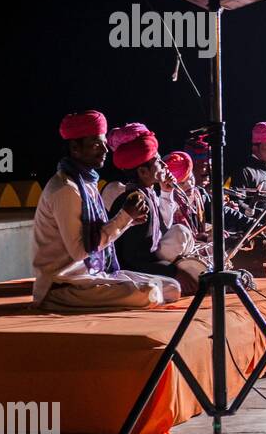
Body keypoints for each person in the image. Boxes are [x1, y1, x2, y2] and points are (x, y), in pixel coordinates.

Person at [30, 110, 181, 311]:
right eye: (96, 144)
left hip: (93, 275)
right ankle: (57, 303)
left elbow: (100, 234)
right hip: (62, 285)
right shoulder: (66, 189)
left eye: (103, 142)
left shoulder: (86, 183)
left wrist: (129, 221)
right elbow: (79, 251)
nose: (105, 150)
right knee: (150, 293)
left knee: (172, 288)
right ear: (75, 148)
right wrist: (124, 217)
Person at [107, 125, 197, 296]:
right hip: (127, 274)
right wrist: (175, 272)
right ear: (143, 171)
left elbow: (161, 234)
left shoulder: (146, 195)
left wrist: (167, 191)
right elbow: (136, 261)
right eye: (157, 161)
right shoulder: (136, 201)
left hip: (141, 268)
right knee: (172, 288)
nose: (163, 164)